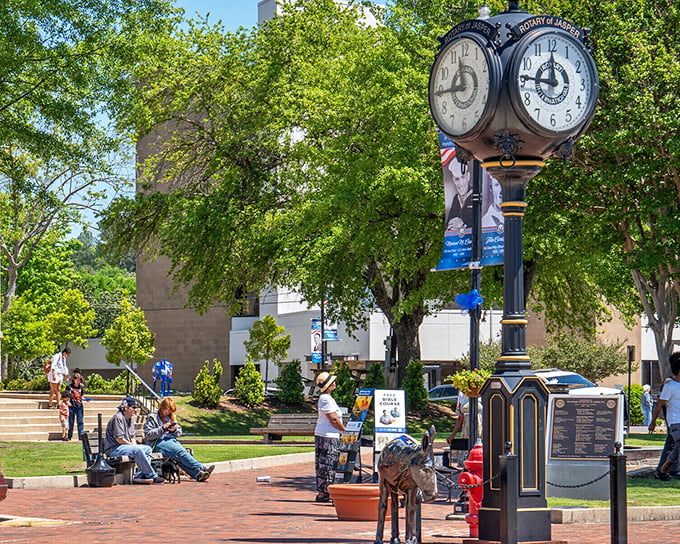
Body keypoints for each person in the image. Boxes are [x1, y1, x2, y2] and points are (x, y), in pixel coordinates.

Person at [143, 397, 215, 482]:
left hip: (171, 441)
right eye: (166, 410)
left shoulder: (171, 417)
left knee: (179, 456)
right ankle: (201, 467)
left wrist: (174, 430)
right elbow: (148, 435)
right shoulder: (152, 417)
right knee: (180, 452)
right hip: (157, 443)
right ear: (162, 407)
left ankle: (198, 474)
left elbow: (179, 432)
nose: (168, 413)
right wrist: (162, 428)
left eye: (170, 411)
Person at [104, 396, 165, 484]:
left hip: (125, 447)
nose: (136, 410)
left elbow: (132, 437)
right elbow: (119, 439)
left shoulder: (130, 419)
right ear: (125, 407)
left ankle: (139, 475)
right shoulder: (118, 418)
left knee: (147, 449)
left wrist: (135, 446)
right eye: (133, 407)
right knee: (138, 450)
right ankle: (152, 475)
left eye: (136, 408)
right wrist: (134, 447)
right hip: (114, 449)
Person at [313, 371, 345, 503]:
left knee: (323, 464)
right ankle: (326, 492)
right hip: (328, 436)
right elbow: (333, 419)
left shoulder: (328, 398)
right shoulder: (325, 398)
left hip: (325, 434)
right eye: (332, 382)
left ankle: (323, 492)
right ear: (328, 385)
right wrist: (345, 431)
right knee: (328, 463)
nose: (335, 383)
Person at [649, 353, 680, 481]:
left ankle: (662, 471)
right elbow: (658, 405)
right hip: (675, 421)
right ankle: (667, 470)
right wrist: (653, 422)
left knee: (677, 447)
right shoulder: (670, 386)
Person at [446, 390, 483, 467]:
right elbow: (460, 418)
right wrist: (452, 436)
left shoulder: (482, 392)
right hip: (466, 432)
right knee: (465, 459)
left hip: (481, 431)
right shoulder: (461, 394)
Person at [444, 158, 473, 231]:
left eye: (463, 177)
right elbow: (449, 223)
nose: (460, 184)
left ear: (468, 177)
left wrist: (462, 225)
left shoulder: (477, 195)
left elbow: (483, 221)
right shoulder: (456, 199)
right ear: (453, 180)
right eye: (457, 179)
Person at [65, 372, 89, 441]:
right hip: (72, 406)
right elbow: (66, 396)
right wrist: (67, 402)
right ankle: (69, 436)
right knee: (71, 422)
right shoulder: (69, 387)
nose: (78, 381)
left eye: (79, 380)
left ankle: (81, 437)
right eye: (77, 379)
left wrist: (85, 399)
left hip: (79, 406)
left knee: (80, 421)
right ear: (74, 379)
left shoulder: (81, 387)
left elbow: (81, 396)